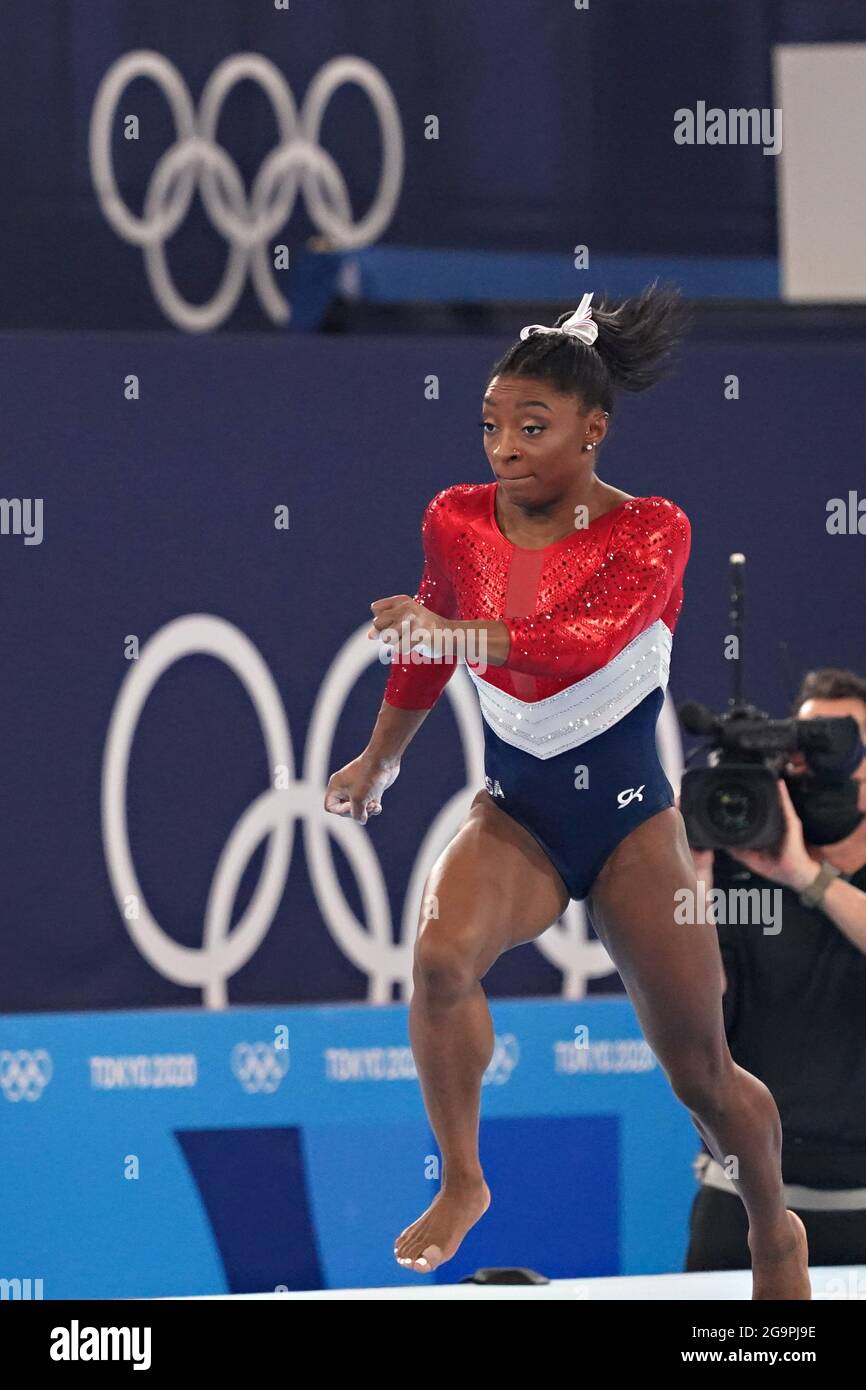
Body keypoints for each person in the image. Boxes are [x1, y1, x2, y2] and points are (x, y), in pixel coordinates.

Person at [324, 286, 810, 1298]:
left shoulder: (649, 531)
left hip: (634, 828)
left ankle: (772, 1223)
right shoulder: (455, 518)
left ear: (592, 431)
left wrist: (448, 633)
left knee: (702, 1077)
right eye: (490, 425)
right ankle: (462, 1179)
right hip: (517, 816)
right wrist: (379, 759)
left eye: (530, 427)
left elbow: (574, 646)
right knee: (440, 959)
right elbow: (422, 659)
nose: (503, 447)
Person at [685, 668, 866, 1271]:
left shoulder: (787, 872)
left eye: (842, 745)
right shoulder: (740, 869)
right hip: (742, 1206)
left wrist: (806, 877)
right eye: (807, 745)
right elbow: (692, 1003)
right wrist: (698, 881)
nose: (821, 763)